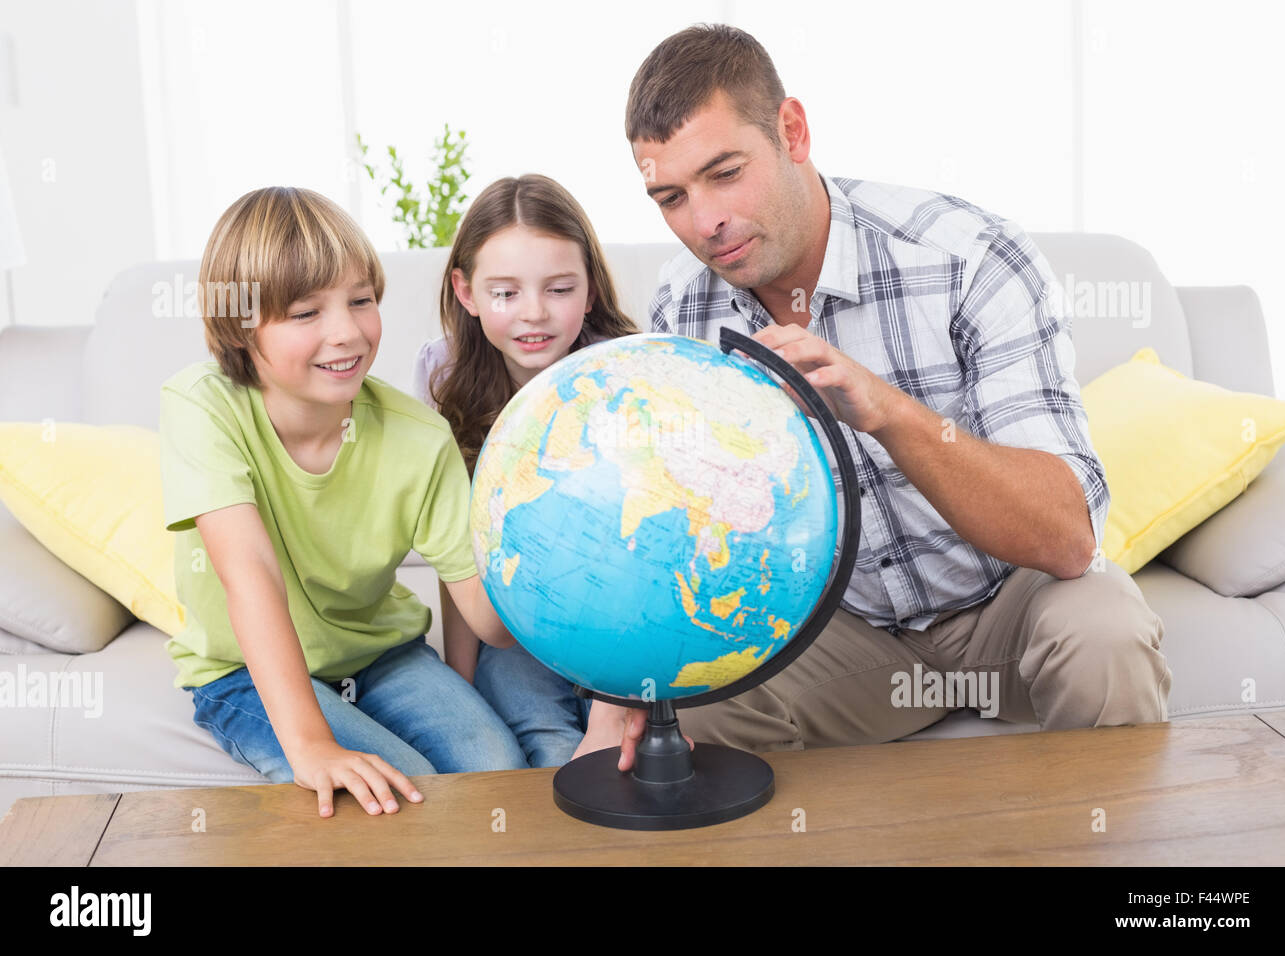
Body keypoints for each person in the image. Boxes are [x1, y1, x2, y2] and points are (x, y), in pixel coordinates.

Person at [579, 24, 1171, 764]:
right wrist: (621, 693)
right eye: (670, 196)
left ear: (791, 131)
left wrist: (888, 413)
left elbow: (1067, 536)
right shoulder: (685, 309)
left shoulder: (968, 258)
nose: (704, 224)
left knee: (1105, 632)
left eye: (725, 173)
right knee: (692, 712)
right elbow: (691, 532)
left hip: (1010, 608)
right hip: (846, 637)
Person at [161, 186, 529, 819]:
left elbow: (490, 621)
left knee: (495, 772)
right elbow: (247, 571)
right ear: (240, 327)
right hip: (240, 671)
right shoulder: (204, 405)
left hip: (382, 656)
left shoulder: (418, 436)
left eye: (361, 301)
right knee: (395, 793)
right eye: (306, 313)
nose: (347, 332)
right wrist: (309, 744)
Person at [412, 173, 641, 766]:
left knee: (623, 755)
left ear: (590, 290)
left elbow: (646, 559)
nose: (534, 314)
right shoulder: (442, 373)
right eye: (505, 293)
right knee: (541, 748)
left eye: (560, 288)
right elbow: (453, 545)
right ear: (466, 293)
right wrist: (462, 687)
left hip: (623, 624)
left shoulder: (627, 373)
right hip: (518, 629)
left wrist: (617, 709)